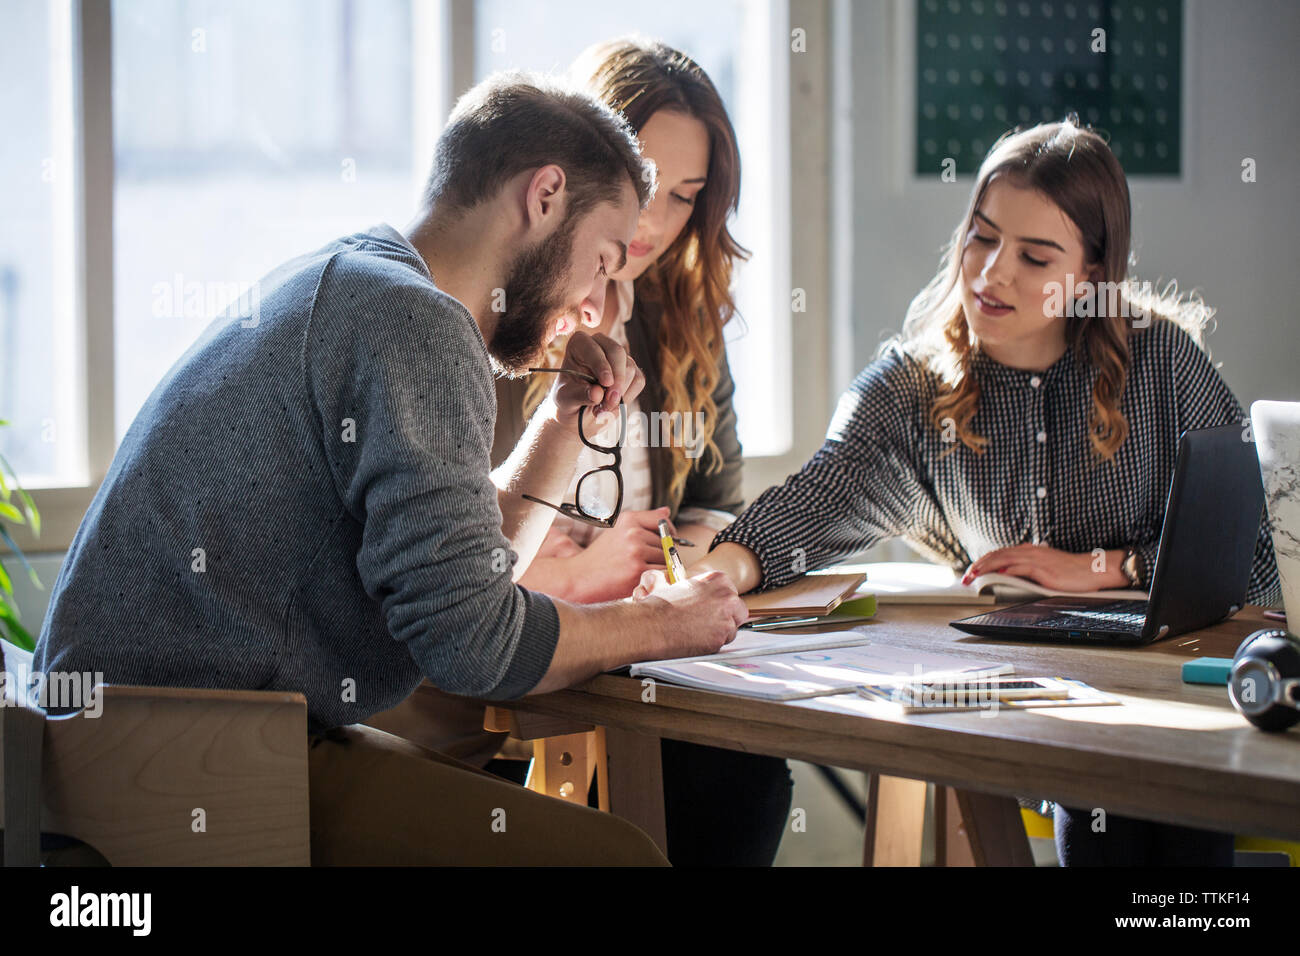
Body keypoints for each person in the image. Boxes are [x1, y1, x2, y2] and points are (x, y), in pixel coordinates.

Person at [33, 72, 750, 865]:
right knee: (623, 859)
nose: (594, 305)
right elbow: (476, 645)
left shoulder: (361, 279)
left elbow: (466, 582)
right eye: (603, 260)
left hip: (131, 740)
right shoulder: (413, 323)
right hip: (175, 759)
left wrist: (563, 425)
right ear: (545, 195)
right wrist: (668, 621)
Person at [640, 118, 1282, 866]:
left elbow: (1262, 556)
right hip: (1039, 713)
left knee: (1159, 811)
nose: (992, 273)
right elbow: (817, 498)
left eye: (1035, 256)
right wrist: (727, 569)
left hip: (1180, 701)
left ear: (1093, 273)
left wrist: (1109, 568)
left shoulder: (1164, 365)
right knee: (1102, 803)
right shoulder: (910, 390)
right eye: (981, 238)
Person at [499, 38, 792, 867]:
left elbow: (714, 494)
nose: (656, 226)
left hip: (642, 641)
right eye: (649, 191)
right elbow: (460, 552)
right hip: (525, 655)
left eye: (687, 199)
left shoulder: (681, 312)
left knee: (746, 777)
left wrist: (676, 558)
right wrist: (568, 574)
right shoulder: (502, 313)